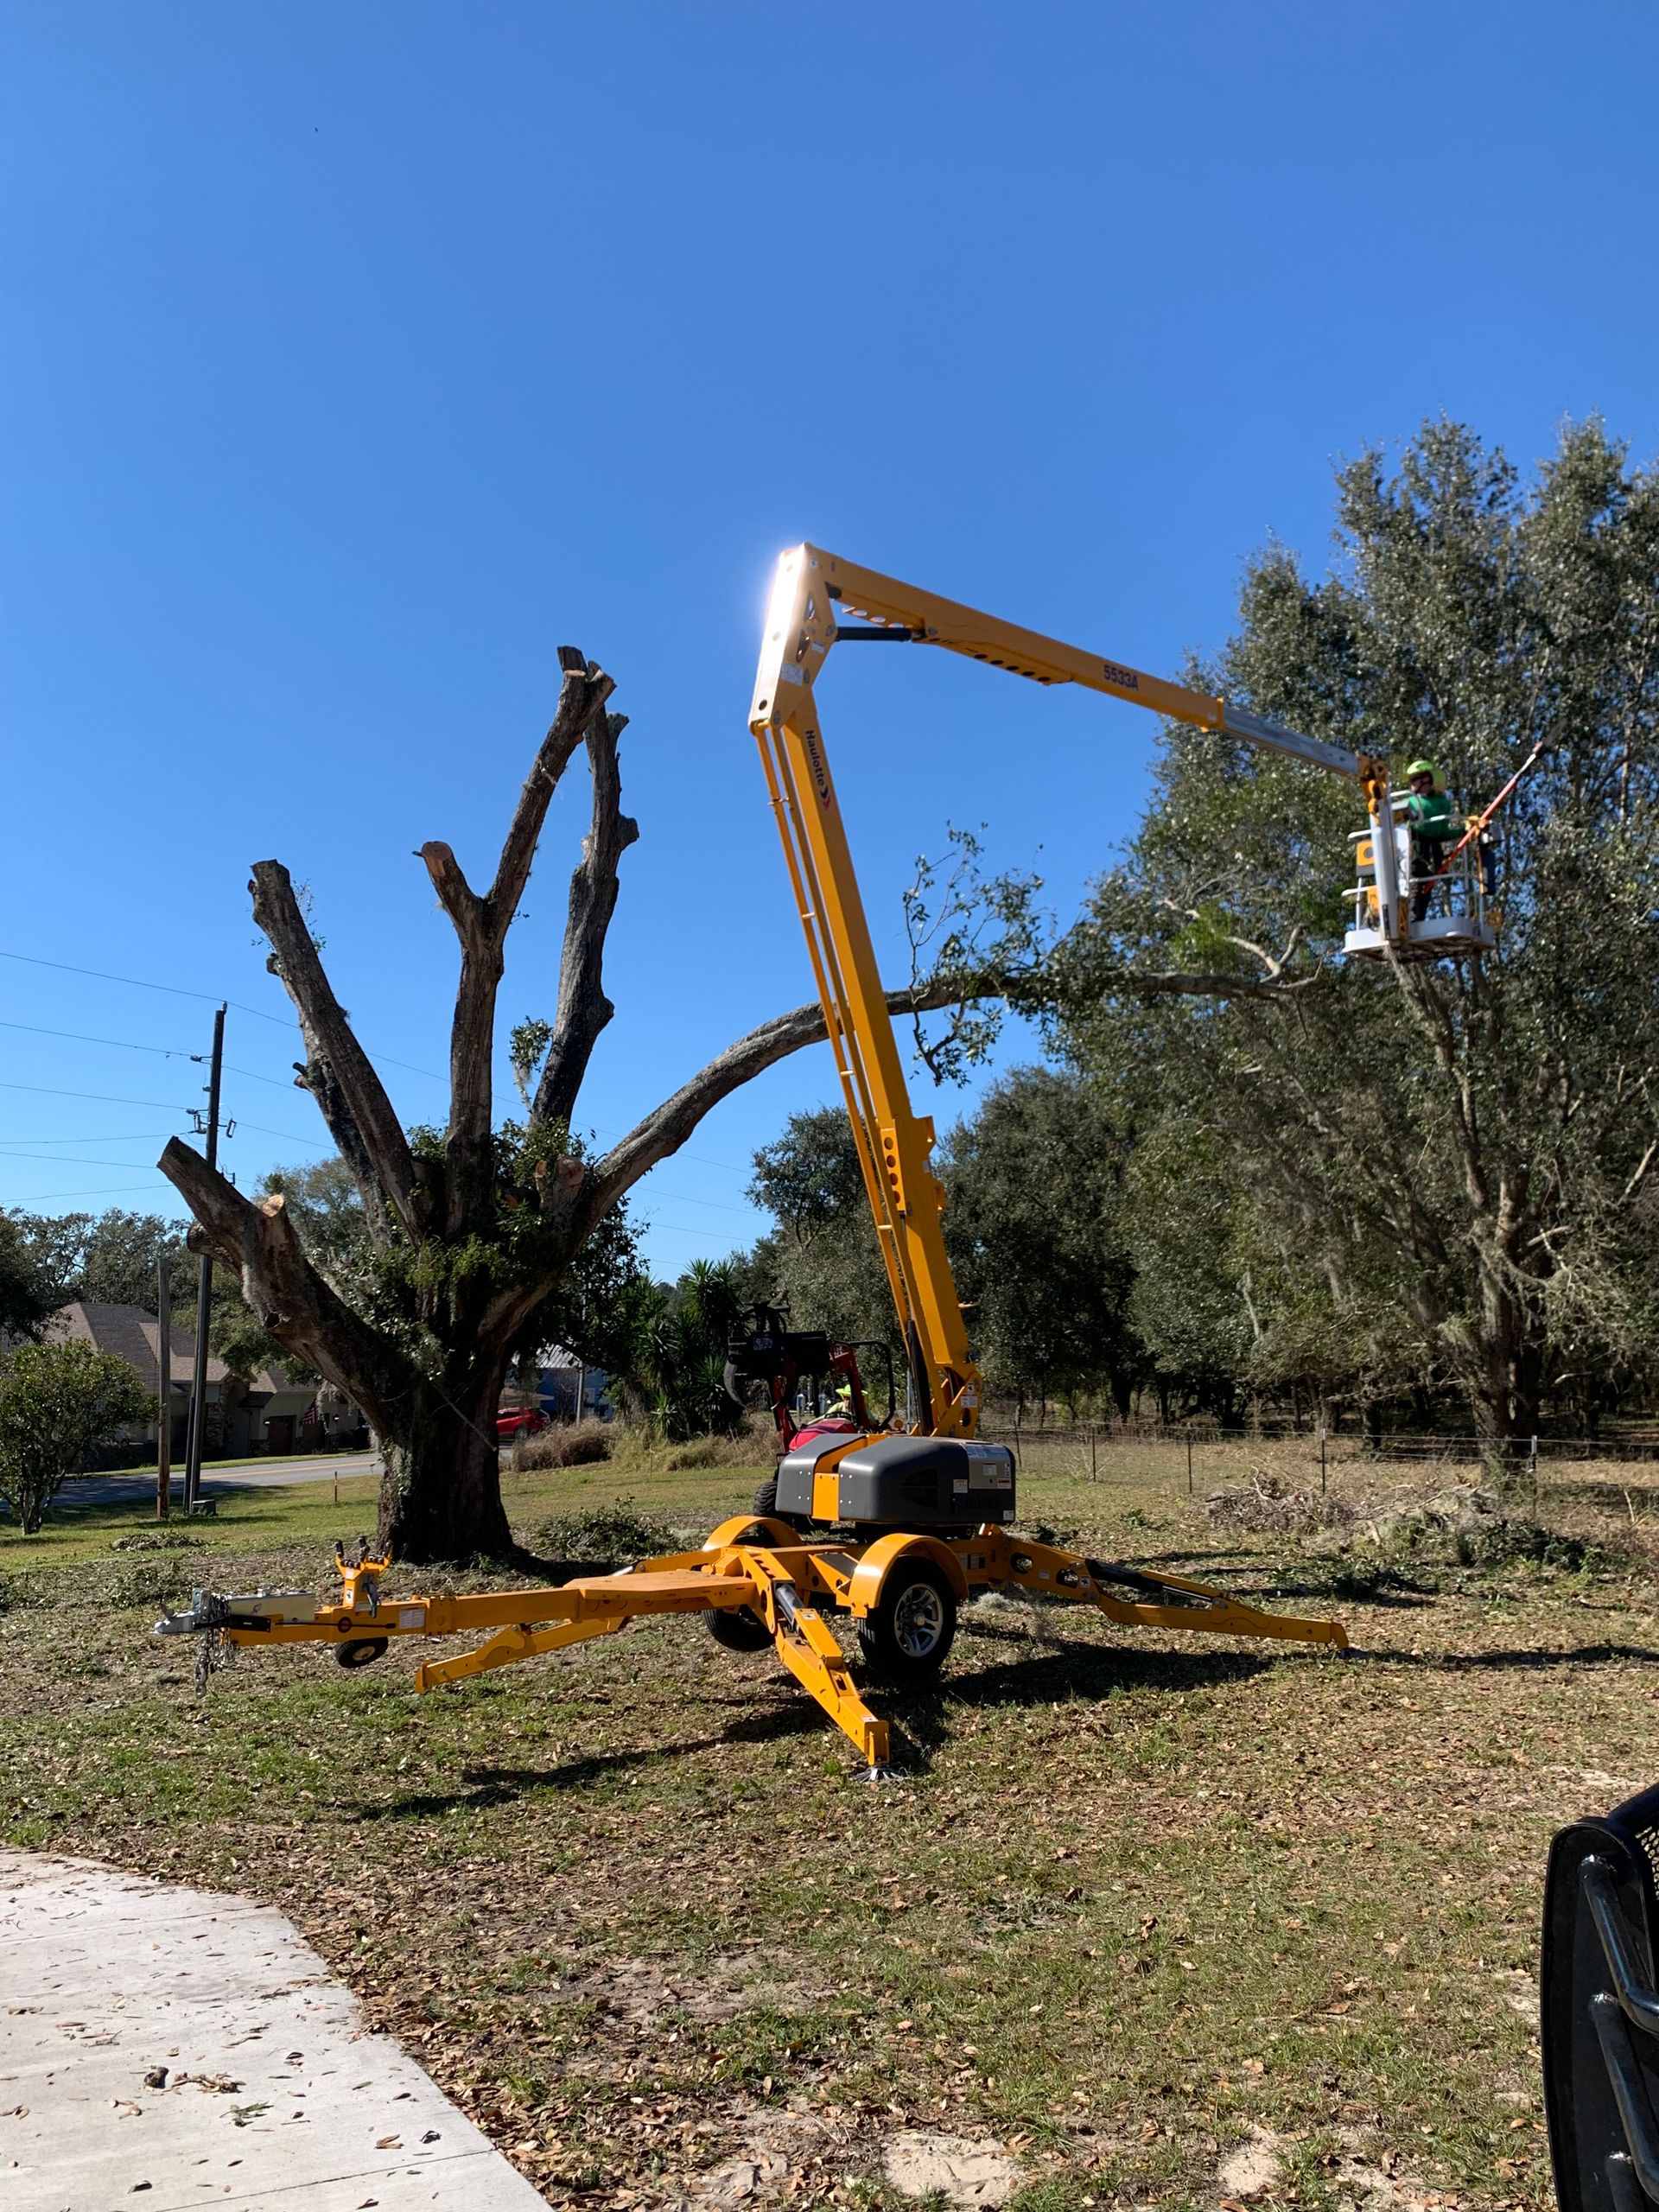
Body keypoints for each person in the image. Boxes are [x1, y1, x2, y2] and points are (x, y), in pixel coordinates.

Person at [1403, 759, 1456, 922]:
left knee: (1425, 887)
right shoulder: (1412, 802)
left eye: (1415, 779)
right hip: (1415, 849)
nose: (1411, 784)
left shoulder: (1439, 803)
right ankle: (1412, 914)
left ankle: (1417, 916)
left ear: (1426, 780)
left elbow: (1442, 832)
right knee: (1416, 880)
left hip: (1429, 850)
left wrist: (1465, 830)